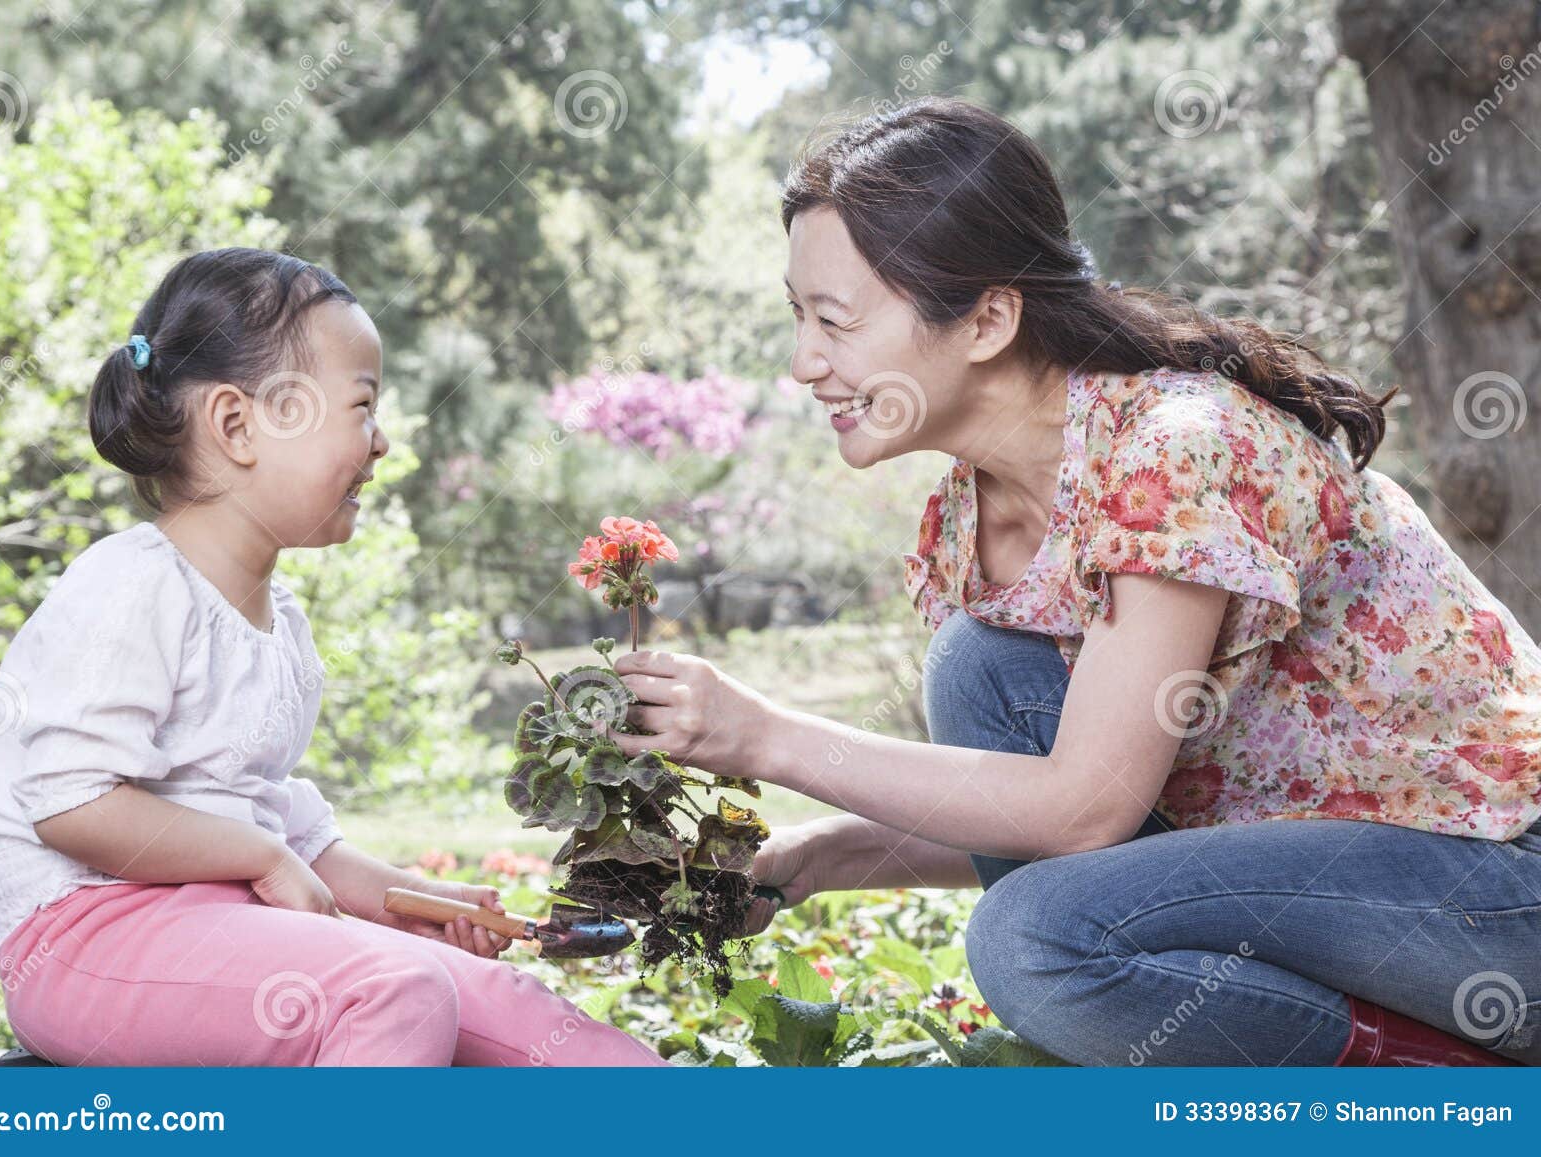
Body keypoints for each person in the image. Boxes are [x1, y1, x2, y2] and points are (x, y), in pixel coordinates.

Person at [608, 98, 1541, 1066]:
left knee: (1034, 939)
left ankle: (1447, 1093)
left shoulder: (1176, 449)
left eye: (835, 321)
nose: (804, 363)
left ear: (988, 318)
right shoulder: (980, 519)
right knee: (982, 666)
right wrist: (824, 856)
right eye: (797, 316)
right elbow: (1106, 836)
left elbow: (1083, 810)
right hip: (1352, 897)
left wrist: (759, 735)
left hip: (1504, 890)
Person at [0, 248, 664, 1068]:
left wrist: (413, 898)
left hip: (228, 924)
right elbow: (73, 803)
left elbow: (282, 823)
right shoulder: (132, 584)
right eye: (362, 407)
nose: (384, 441)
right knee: (395, 990)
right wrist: (263, 857)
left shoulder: (279, 619)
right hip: (89, 933)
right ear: (236, 424)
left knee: (566, 1043)